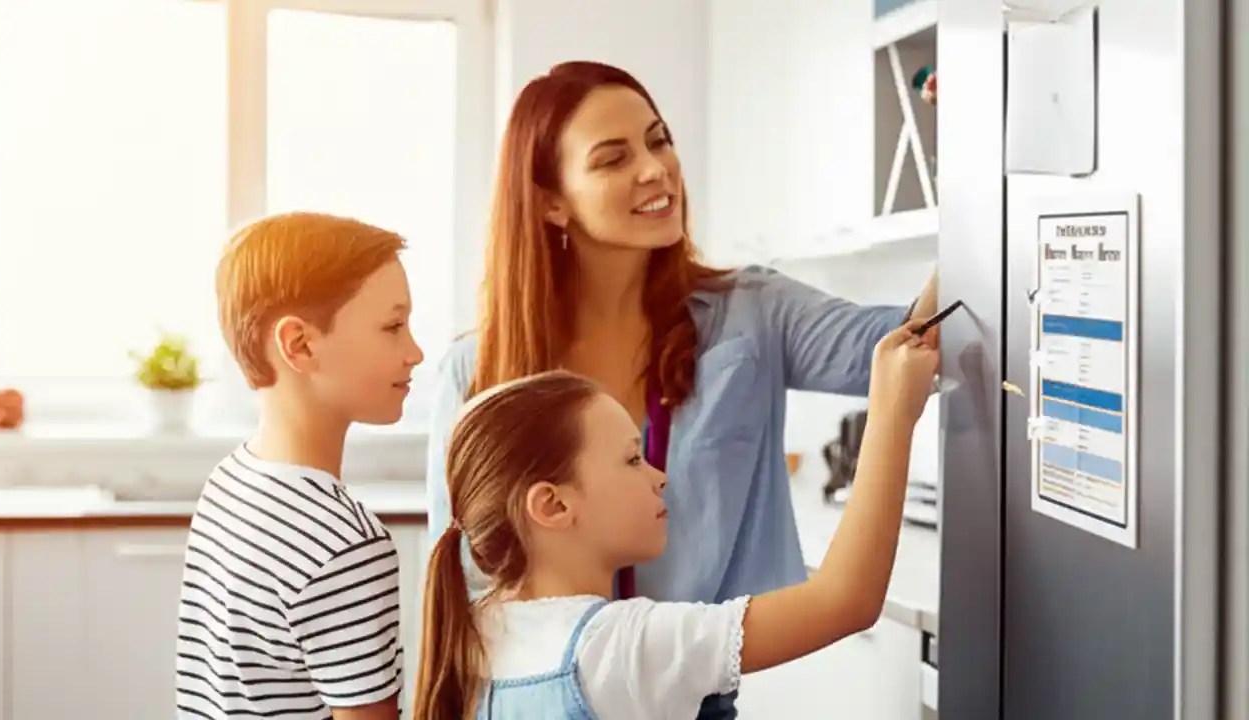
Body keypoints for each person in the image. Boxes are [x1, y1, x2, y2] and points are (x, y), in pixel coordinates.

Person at [424, 60, 938, 716]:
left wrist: (976, 155)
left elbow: (923, 342)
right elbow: (463, 590)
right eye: (613, 158)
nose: (654, 169)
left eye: (659, 140)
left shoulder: (753, 315)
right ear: (552, 199)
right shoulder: (475, 372)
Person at [415, 323, 938, 720]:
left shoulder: (475, 631)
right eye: (631, 459)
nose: (660, 476)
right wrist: (894, 409)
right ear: (552, 506)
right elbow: (845, 601)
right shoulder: (625, 644)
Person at [176, 212, 422, 719]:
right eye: (393, 326)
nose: (414, 352)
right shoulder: (345, 545)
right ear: (300, 344)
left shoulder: (231, 482)